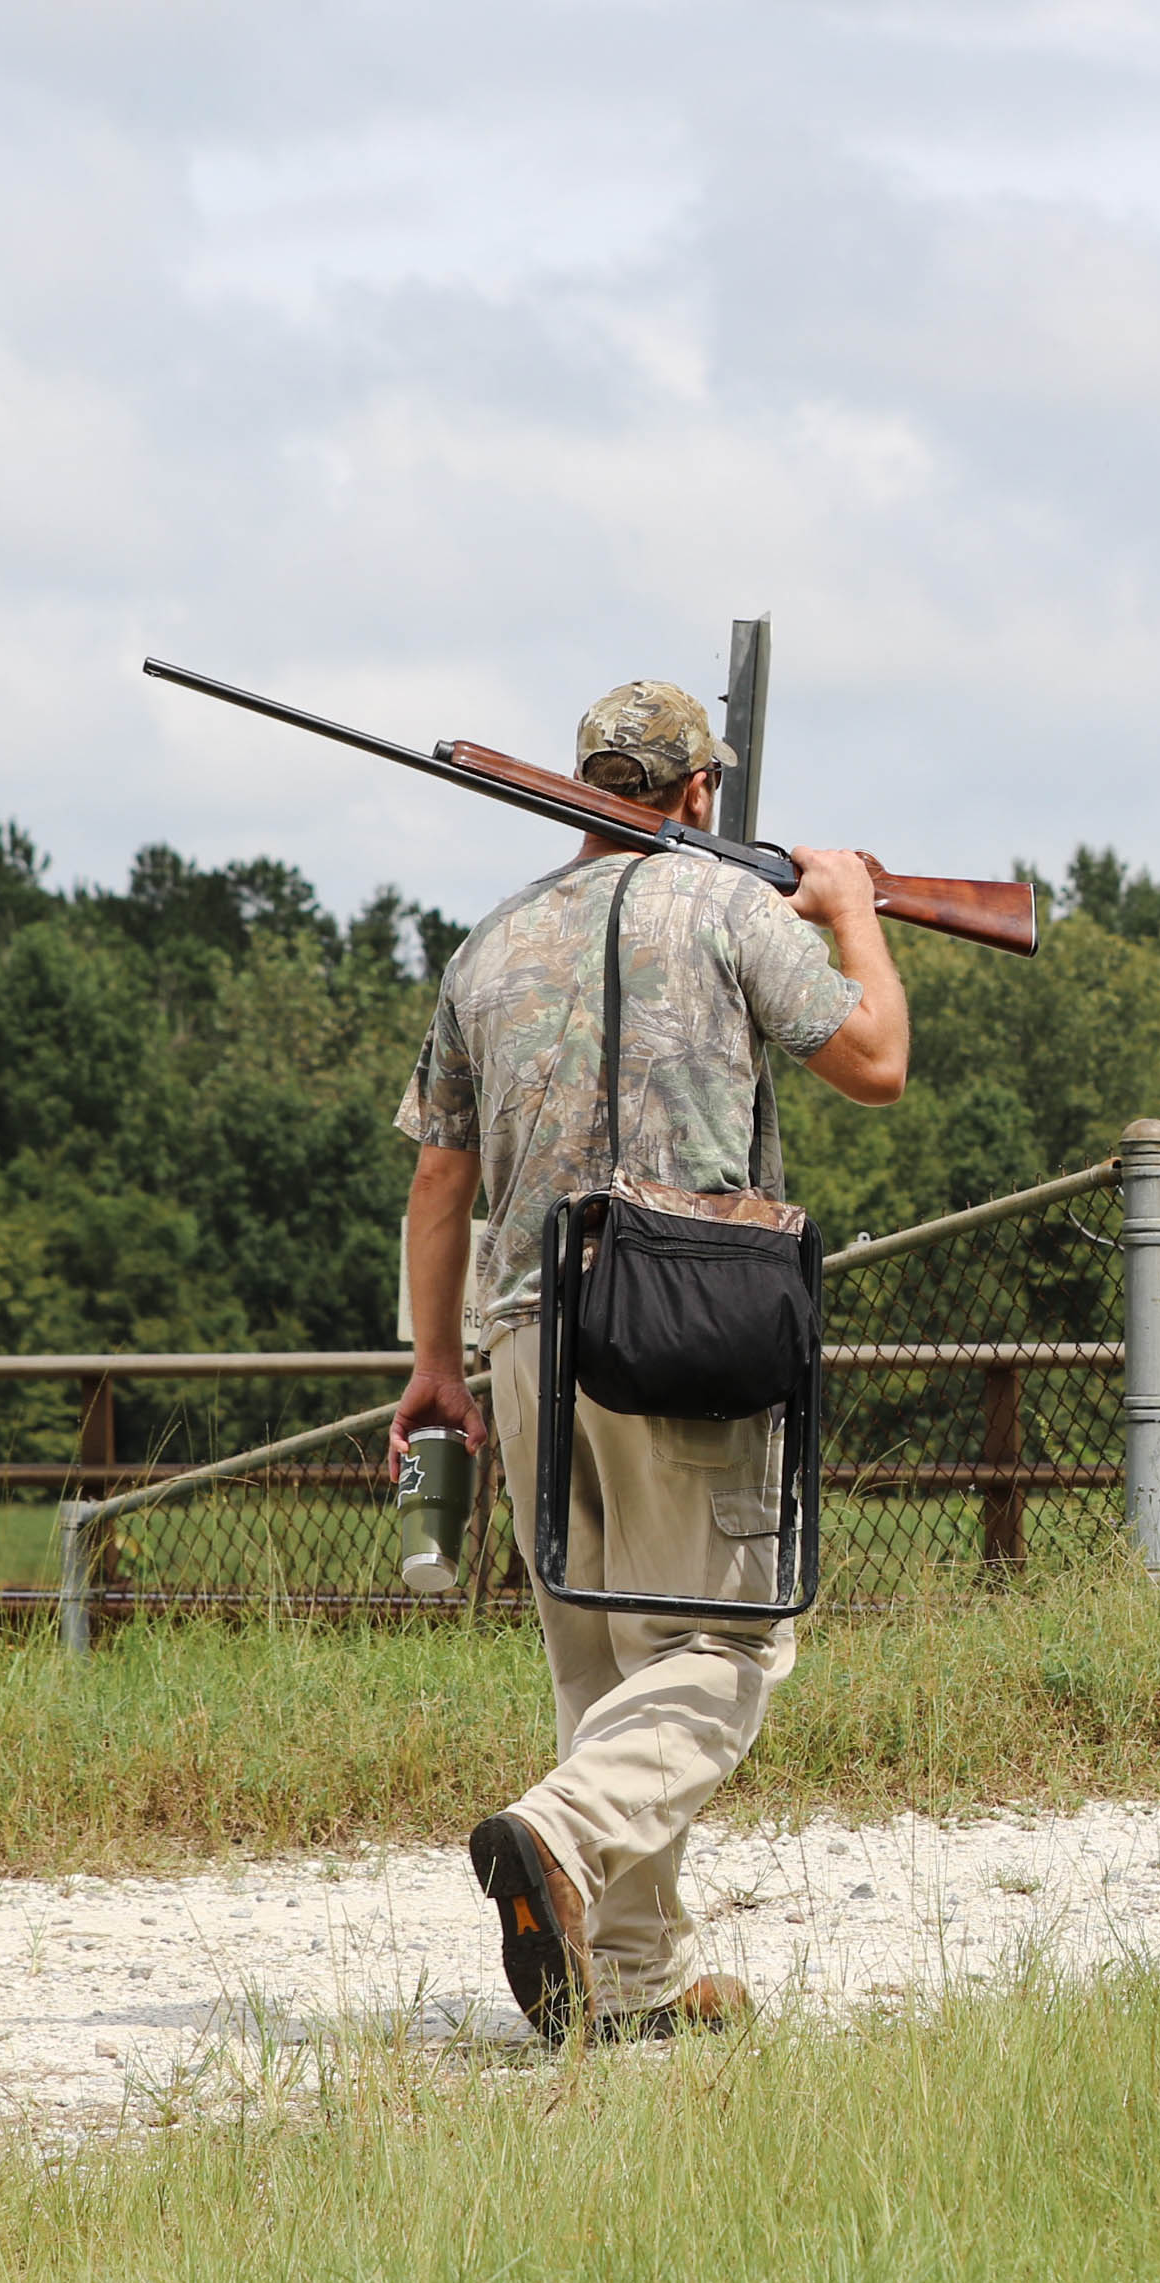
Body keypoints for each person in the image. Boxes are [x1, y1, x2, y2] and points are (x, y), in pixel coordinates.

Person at [389, 678, 908, 2044]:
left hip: (522, 1330)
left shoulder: (487, 946)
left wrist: (435, 1364)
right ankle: (559, 1830)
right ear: (700, 797)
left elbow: (441, 1183)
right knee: (729, 1647)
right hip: (686, 1313)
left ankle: (633, 1981)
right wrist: (849, 901)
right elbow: (874, 1059)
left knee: (604, 1669)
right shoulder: (732, 904)